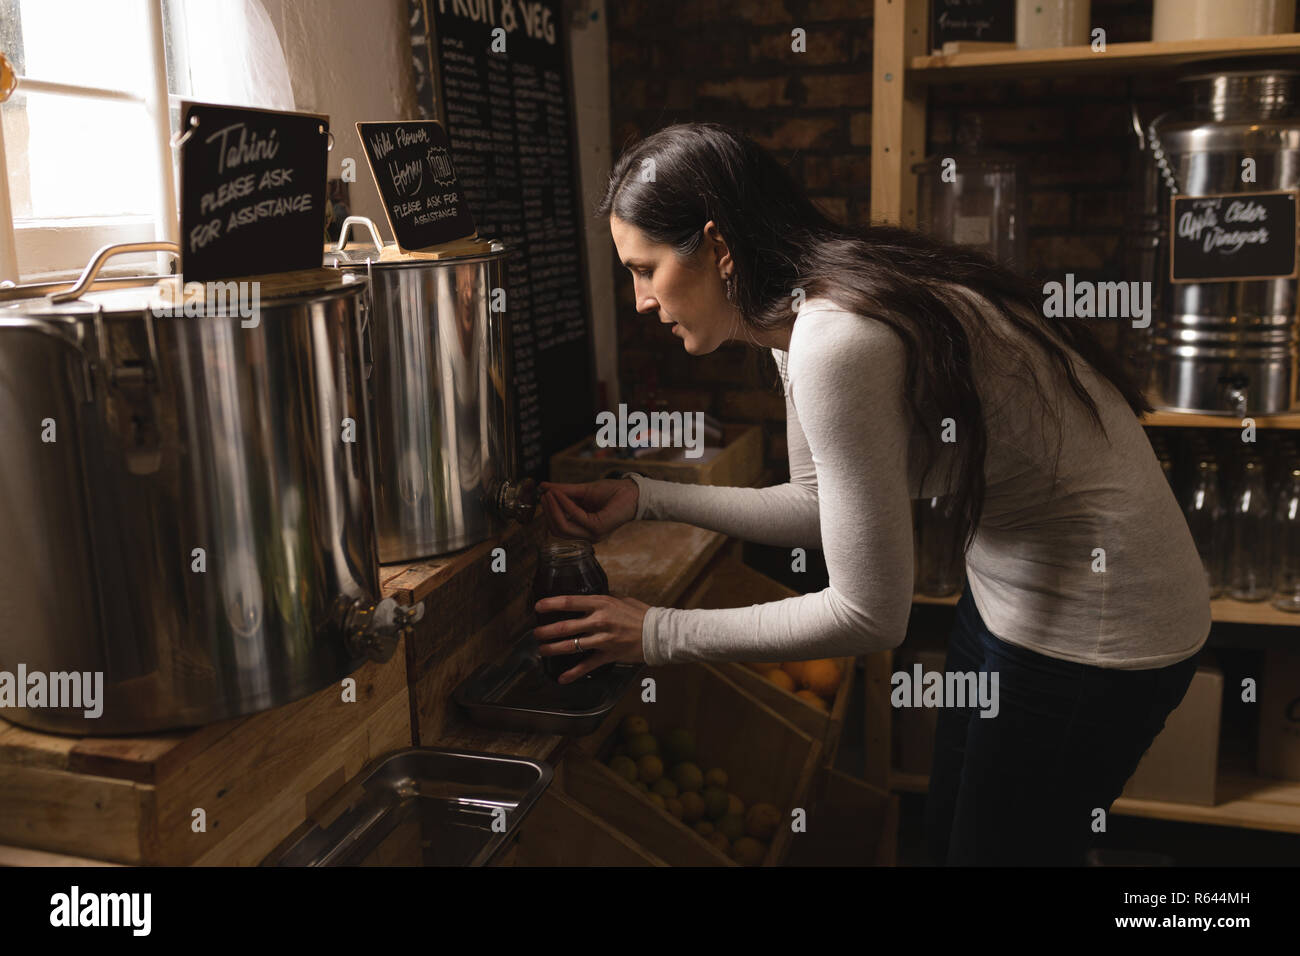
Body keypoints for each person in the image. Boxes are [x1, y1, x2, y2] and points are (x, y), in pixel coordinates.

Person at [532, 122, 1210, 866]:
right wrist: (646, 496)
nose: (637, 300)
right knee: (951, 834)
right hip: (1010, 589)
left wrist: (657, 634)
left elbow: (869, 614)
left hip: (1107, 622)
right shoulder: (794, 317)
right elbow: (819, 508)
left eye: (645, 267)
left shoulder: (835, 338)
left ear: (717, 247)